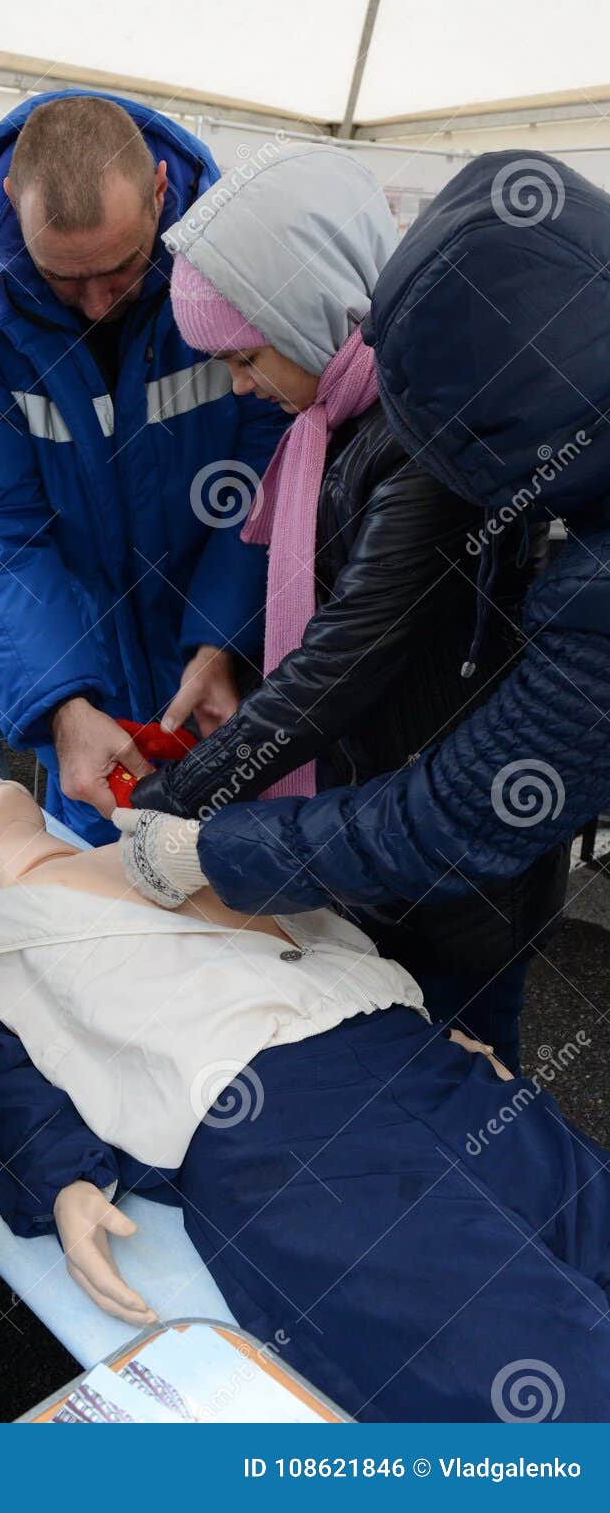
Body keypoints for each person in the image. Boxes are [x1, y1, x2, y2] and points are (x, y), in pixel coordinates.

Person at [0, 775, 610, 1423]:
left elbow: (326, 933)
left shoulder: (168, 846)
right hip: (281, 1129)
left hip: (416, 1057)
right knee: (531, 1365)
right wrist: (63, 1183)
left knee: (590, 1216)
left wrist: (423, 1019)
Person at [112, 152, 610, 991]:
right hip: (382, 832)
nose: (239, 387)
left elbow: (427, 775)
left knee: (455, 1044)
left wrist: (189, 817)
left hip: (442, 883)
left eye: (247, 358)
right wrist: (221, 658)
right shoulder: (347, 417)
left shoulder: (427, 441)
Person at [0, 91, 289, 843]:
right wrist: (61, 705)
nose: (94, 305)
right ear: (12, 201)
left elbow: (277, 463)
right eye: (62, 278)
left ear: (159, 192)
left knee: (265, 888)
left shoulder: (238, 262)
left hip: (241, 676)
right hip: (86, 692)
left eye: (118, 271)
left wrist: (221, 637)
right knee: (95, 892)